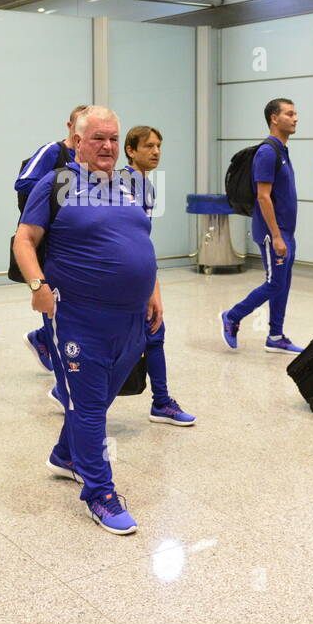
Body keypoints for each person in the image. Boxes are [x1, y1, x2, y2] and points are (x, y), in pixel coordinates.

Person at [14, 107, 160, 534]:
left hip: (132, 318)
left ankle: (65, 455)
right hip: (78, 316)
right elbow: (24, 239)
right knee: (91, 406)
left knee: (98, 399)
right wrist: (37, 285)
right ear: (77, 142)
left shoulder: (132, 185)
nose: (108, 147)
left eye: (114, 139)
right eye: (98, 138)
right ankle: (99, 493)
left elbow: (141, 239)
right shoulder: (57, 184)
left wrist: (153, 290)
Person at [121, 124, 194, 426]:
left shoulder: (147, 186)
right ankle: (68, 390)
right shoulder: (121, 184)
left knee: (152, 333)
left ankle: (161, 401)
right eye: (148, 146)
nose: (156, 152)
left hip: (139, 274)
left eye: (159, 146)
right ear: (131, 150)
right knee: (127, 340)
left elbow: (144, 240)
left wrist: (152, 282)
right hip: (122, 277)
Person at [221, 97, 303, 354]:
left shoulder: (282, 150)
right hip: (272, 233)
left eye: (295, 114)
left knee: (283, 282)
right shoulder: (268, 152)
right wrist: (277, 236)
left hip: (285, 231)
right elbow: (262, 196)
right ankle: (232, 316)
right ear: (274, 118)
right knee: (274, 282)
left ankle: (276, 336)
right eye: (289, 114)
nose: (295, 118)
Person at [17, 105, 88, 372]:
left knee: (71, 302)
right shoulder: (52, 151)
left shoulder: (91, 158)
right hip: (47, 238)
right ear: (70, 127)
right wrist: (61, 187)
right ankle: (63, 371)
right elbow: (23, 182)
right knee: (54, 300)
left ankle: (43, 338)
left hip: (75, 241)